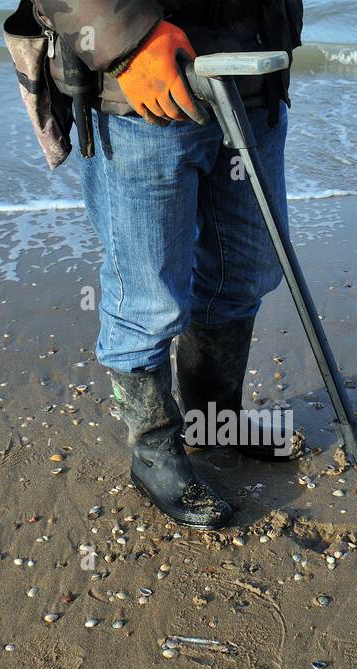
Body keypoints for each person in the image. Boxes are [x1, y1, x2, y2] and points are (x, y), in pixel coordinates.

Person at [32, 0, 304, 529]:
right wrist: (126, 41)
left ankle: (214, 422)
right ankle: (153, 454)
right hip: (136, 97)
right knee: (148, 299)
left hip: (253, 81)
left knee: (246, 271)